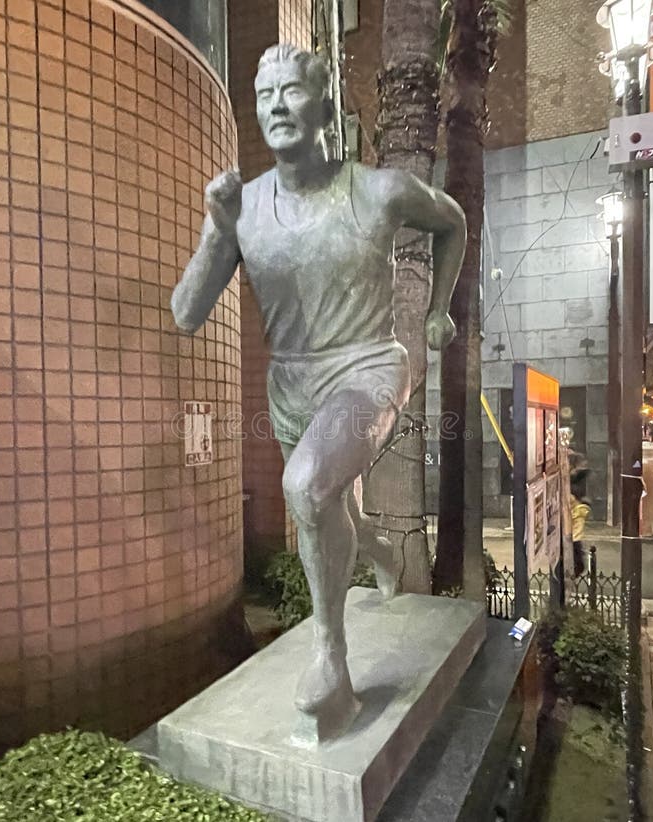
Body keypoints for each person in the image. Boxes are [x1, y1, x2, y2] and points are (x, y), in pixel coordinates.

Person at [170, 44, 466, 735]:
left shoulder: (379, 189)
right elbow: (186, 315)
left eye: (293, 90)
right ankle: (380, 550)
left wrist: (439, 309)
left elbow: (451, 219)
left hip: (367, 368)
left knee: (305, 488)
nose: (277, 104)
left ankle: (330, 655)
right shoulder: (241, 208)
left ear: (325, 106)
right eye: (265, 92)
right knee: (332, 503)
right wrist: (218, 234)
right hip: (290, 384)